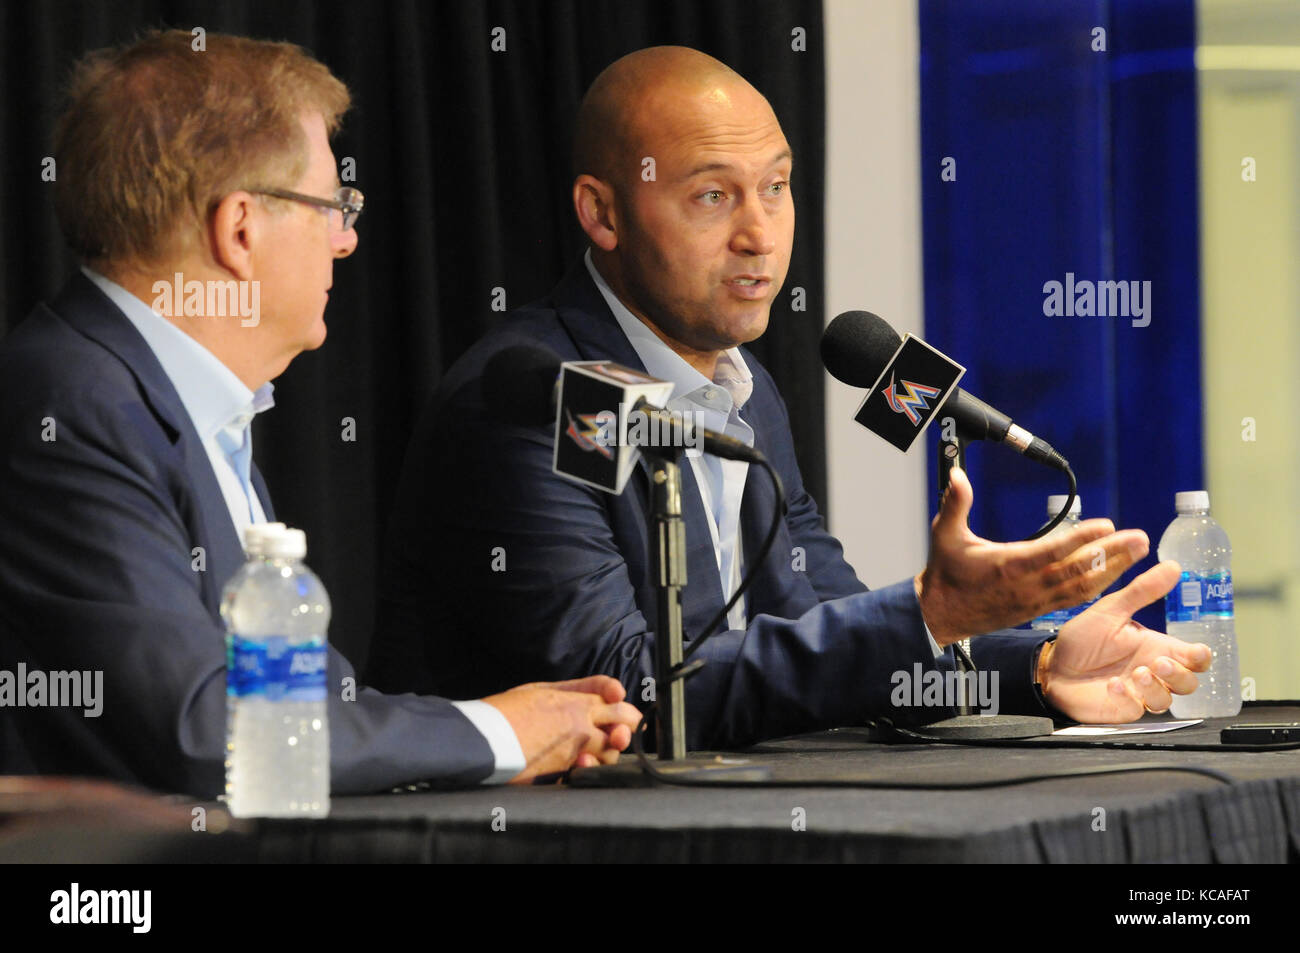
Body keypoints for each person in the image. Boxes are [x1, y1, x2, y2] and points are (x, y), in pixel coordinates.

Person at [370, 46, 1211, 747]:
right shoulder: (547, 397)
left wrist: (1031, 663)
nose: (759, 232)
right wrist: (932, 611)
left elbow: (828, 620)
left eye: (776, 185)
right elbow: (632, 693)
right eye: (712, 194)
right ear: (602, 212)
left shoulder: (747, 389)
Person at [0, 30, 640, 798]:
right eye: (333, 205)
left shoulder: (181, 400)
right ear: (239, 230)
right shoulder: (74, 404)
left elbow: (305, 704)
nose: (346, 239)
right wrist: (501, 731)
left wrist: (516, 725)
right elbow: (209, 732)